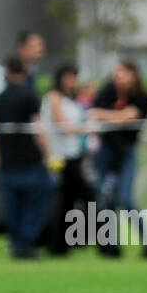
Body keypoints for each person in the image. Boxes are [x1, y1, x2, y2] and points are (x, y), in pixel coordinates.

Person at [87, 59, 147, 257]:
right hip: (106, 152)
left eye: (122, 73)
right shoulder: (107, 91)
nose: (118, 77)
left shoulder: (142, 97)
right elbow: (93, 114)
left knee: (126, 199)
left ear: (133, 74)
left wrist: (105, 115)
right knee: (106, 200)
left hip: (126, 152)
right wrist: (114, 116)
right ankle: (111, 245)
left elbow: (128, 117)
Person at [0, 54, 52, 259]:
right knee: (35, 203)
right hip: (30, 160)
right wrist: (47, 153)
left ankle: (17, 244)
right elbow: (37, 127)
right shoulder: (29, 96)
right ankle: (26, 242)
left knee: (13, 208)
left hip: (8, 161)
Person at [42, 62, 95, 255]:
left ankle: (59, 246)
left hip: (74, 155)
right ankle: (88, 238)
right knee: (88, 196)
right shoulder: (53, 98)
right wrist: (85, 128)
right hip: (60, 158)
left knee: (67, 202)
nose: (73, 82)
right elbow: (63, 125)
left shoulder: (71, 100)